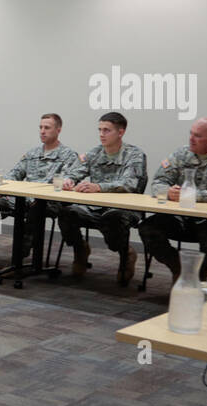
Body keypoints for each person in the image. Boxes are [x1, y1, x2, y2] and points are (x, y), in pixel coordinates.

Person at [0, 113, 80, 272]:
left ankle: (17, 260)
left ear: (58, 130)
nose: (42, 131)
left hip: (48, 202)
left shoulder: (68, 156)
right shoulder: (32, 153)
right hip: (23, 198)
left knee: (35, 209)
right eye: (41, 127)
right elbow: (14, 174)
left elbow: (64, 182)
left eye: (47, 128)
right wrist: (3, 190)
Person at [139, 117, 207, 283]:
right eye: (191, 133)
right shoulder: (181, 154)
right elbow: (158, 182)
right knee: (148, 228)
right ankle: (179, 268)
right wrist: (167, 192)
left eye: (197, 136)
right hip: (180, 217)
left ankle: (198, 274)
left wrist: (191, 195)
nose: (191, 138)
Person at [56, 112, 148, 285]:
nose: (101, 134)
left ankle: (125, 253)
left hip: (124, 208)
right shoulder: (95, 152)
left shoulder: (134, 155)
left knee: (113, 217)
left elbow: (130, 184)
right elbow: (75, 171)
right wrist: (69, 180)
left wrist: (98, 187)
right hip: (95, 207)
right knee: (66, 213)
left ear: (120, 132)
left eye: (107, 130)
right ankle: (80, 249)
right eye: (99, 130)